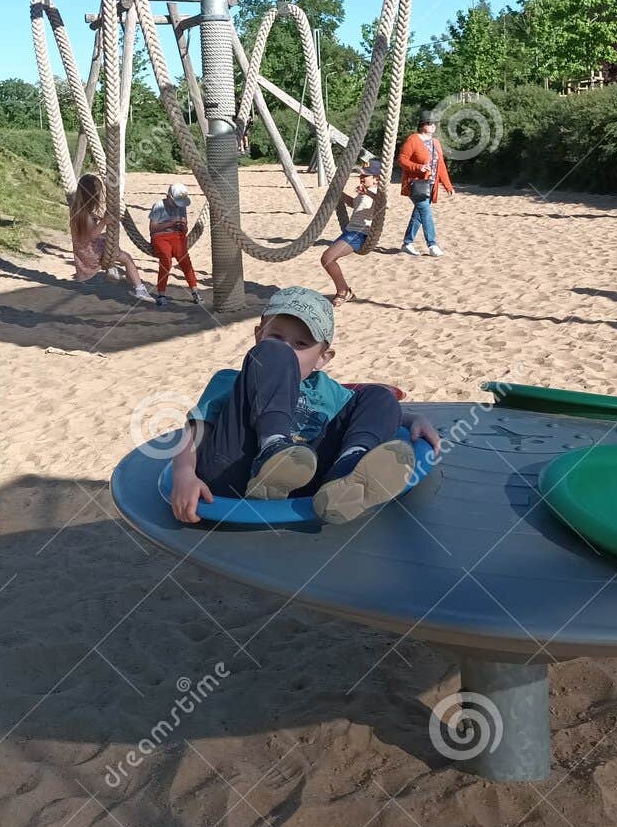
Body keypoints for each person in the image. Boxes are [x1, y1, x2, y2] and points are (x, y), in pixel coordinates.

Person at [169, 286, 441, 526]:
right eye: (275, 337)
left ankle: (348, 472)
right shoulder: (232, 380)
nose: (286, 349)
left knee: (380, 396)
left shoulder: (326, 390)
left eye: (300, 344)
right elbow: (195, 431)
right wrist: (183, 474)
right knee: (271, 360)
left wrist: (411, 418)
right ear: (258, 336)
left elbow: (365, 411)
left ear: (322, 358)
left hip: (306, 483)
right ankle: (272, 445)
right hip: (232, 471)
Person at [69, 173, 152, 301]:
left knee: (108, 238)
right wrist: (103, 222)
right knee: (127, 258)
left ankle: (114, 269)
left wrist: (97, 219)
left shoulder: (77, 211)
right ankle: (139, 289)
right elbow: (92, 235)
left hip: (81, 251)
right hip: (90, 253)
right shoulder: (87, 217)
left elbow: (86, 232)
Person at [320, 160, 383, 303]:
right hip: (349, 231)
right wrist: (338, 192)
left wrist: (368, 193)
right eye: (361, 175)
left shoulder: (376, 193)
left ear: (376, 179)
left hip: (359, 234)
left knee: (327, 258)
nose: (361, 178)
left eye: (365, 176)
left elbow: (383, 204)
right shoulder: (362, 193)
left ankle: (343, 291)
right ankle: (344, 290)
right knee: (327, 259)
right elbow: (352, 203)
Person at [397, 112, 454, 256]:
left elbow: (440, 166)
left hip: (430, 184)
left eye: (434, 123)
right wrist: (418, 167)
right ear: (422, 125)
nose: (433, 126)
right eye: (430, 123)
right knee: (426, 212)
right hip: (415, 184)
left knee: (419, 214)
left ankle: (407, 243)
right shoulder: (413, 140)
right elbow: (402, 160)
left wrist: (448, 186)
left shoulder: (436, 142)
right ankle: (432, 244)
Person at [149, 182, 201, 307]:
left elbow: (185, 229)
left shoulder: (182, 206)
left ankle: (195, 292)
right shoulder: (158, 206)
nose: (178, 205)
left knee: (185, 261)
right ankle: (161, 294)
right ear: (168, 197)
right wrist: (170, 223)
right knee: (166, 261)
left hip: (177, 236)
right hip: (160, 236)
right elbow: (153, 228)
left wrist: (183, 226)